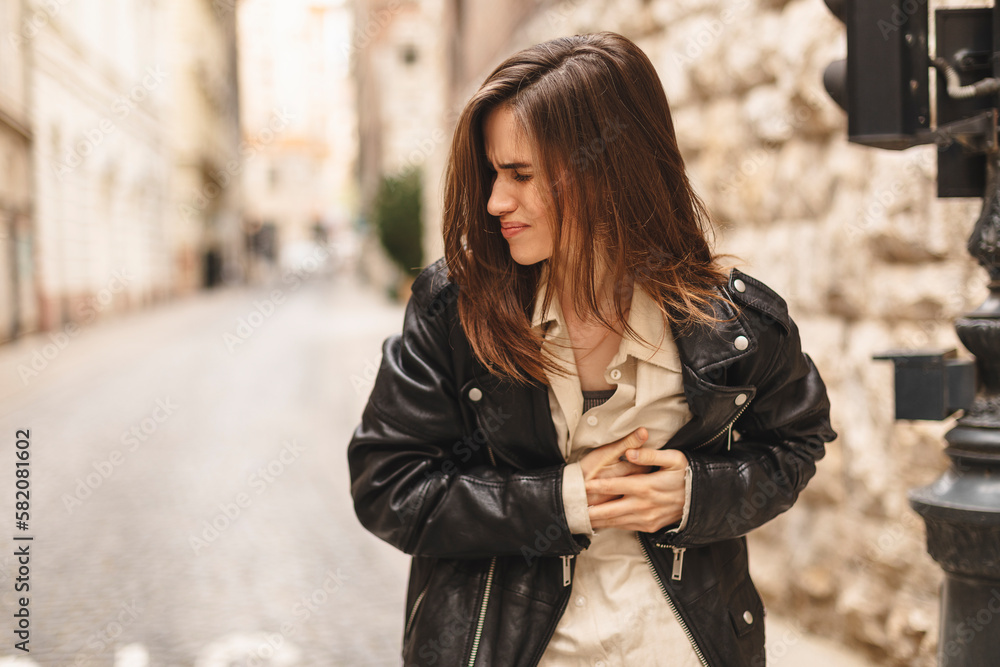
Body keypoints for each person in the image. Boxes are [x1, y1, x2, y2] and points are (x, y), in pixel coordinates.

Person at [347, 31, 837, 667]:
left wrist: (697, 495)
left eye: (520, 175)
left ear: (605, 174)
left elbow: (797, 444)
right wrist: (563, 498)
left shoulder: (734, 321)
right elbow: (388, 484)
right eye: (494, 173)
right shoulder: (453, 310)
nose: (496, 202)